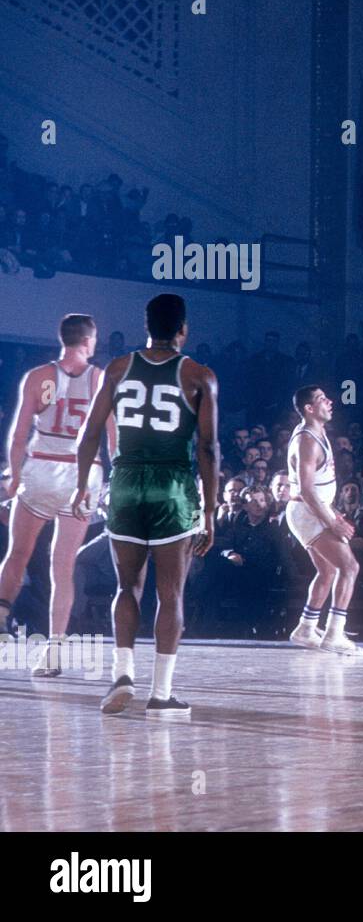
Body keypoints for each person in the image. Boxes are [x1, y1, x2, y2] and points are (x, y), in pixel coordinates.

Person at [73, 294, 218, 717]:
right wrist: (209, 511)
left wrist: (82, 486)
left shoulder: (118, 368)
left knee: (126, 587)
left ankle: (122, 674)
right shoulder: (199, 375)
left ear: (146, 327)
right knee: (170, 594)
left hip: (125, 481)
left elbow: (90, 432)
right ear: (183, 330)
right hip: (172, 484)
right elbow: (208, 447)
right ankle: (161, 693)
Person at [0, 314, 108, 675]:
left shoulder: (37, 376)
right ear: (90, 341)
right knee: (63, 565)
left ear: (61, 338)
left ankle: (0, 622)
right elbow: (114, 438)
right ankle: (55, 649)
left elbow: (17, 435)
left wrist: (14, 477)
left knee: (17, 554)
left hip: (43, 466)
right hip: (83, 472)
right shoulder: (100, 379)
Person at [282, 386, 363, 655]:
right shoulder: (306, 440)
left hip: (312, 510)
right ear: (309, 408)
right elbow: (306, 490)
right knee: (349, 567)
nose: (329, 401)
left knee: (328, 571)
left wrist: (331, 512)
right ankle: (334, 634)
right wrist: (331, 520)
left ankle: (306, 628)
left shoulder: (317, 431)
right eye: (321, 399)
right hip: (307, 512)